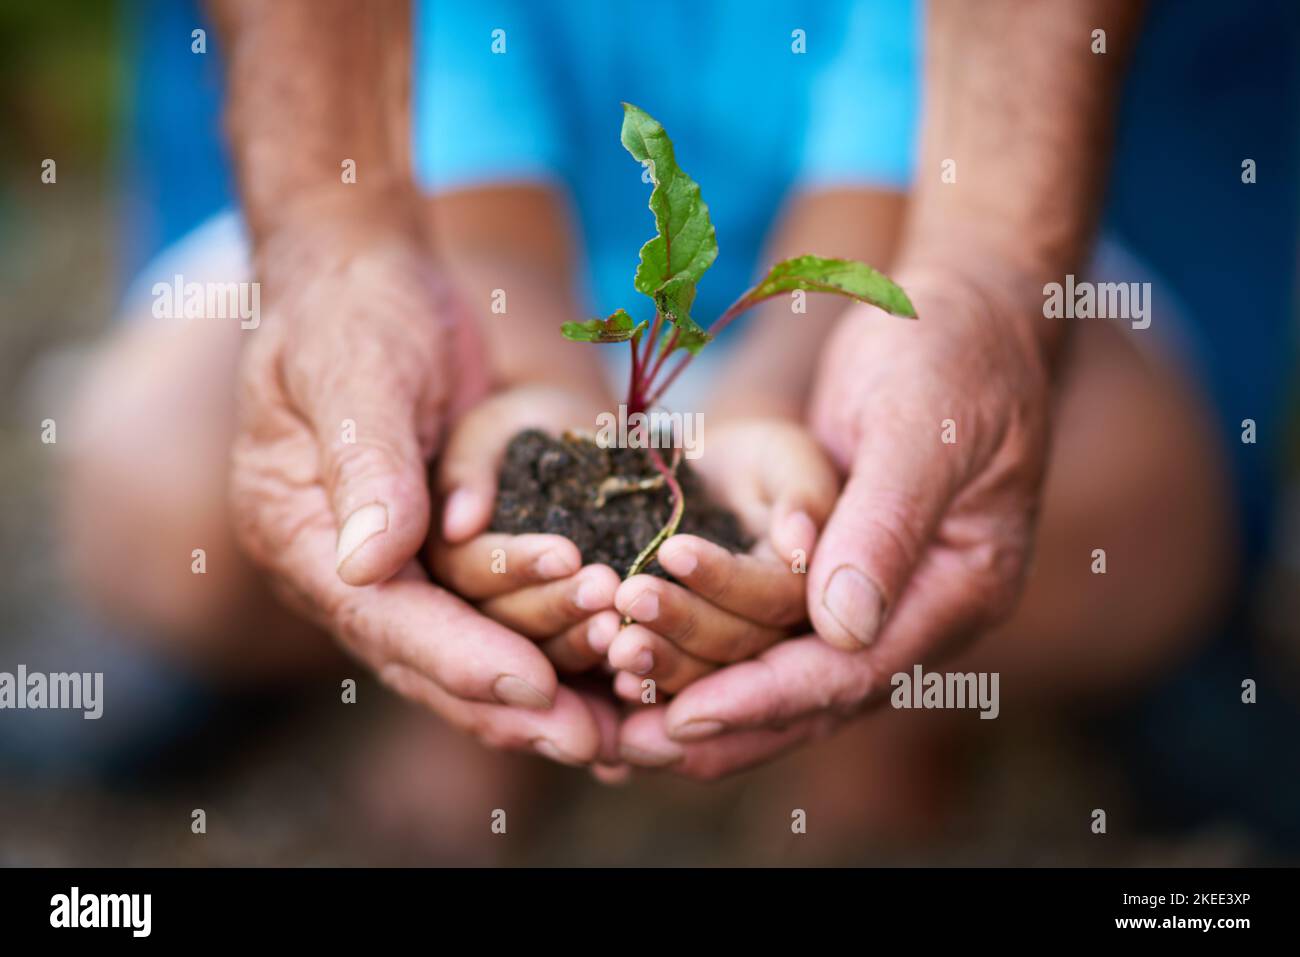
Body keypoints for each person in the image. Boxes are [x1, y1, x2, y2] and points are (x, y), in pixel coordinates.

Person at [64, 0, 1293, 805]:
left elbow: (885, 203)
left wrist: (777, 400)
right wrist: (519, 401)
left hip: (841, 319)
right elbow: (470, 214)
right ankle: (453, 696)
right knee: (164, 481)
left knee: (1125, 512)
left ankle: (905, 706)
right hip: (462, 284)